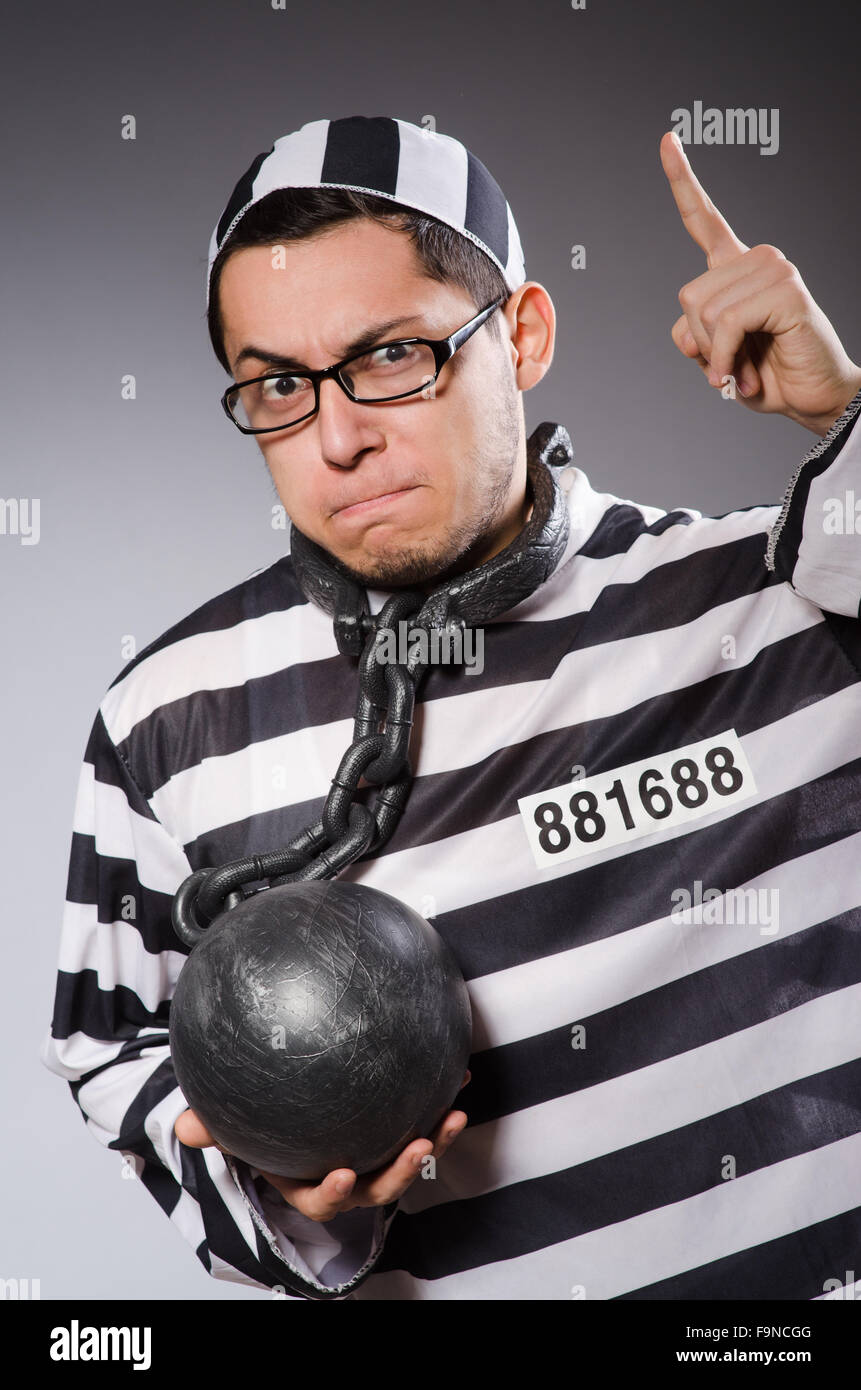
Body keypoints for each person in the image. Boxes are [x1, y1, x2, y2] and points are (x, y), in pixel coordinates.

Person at [42, 115, 861, 1301]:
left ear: (522, 335)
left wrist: (844, 413)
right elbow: (108, 1044)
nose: (337, 438)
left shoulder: (781, 595)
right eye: (278, 383)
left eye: (389, 358)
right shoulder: (167, 719)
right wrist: (280, 1188)